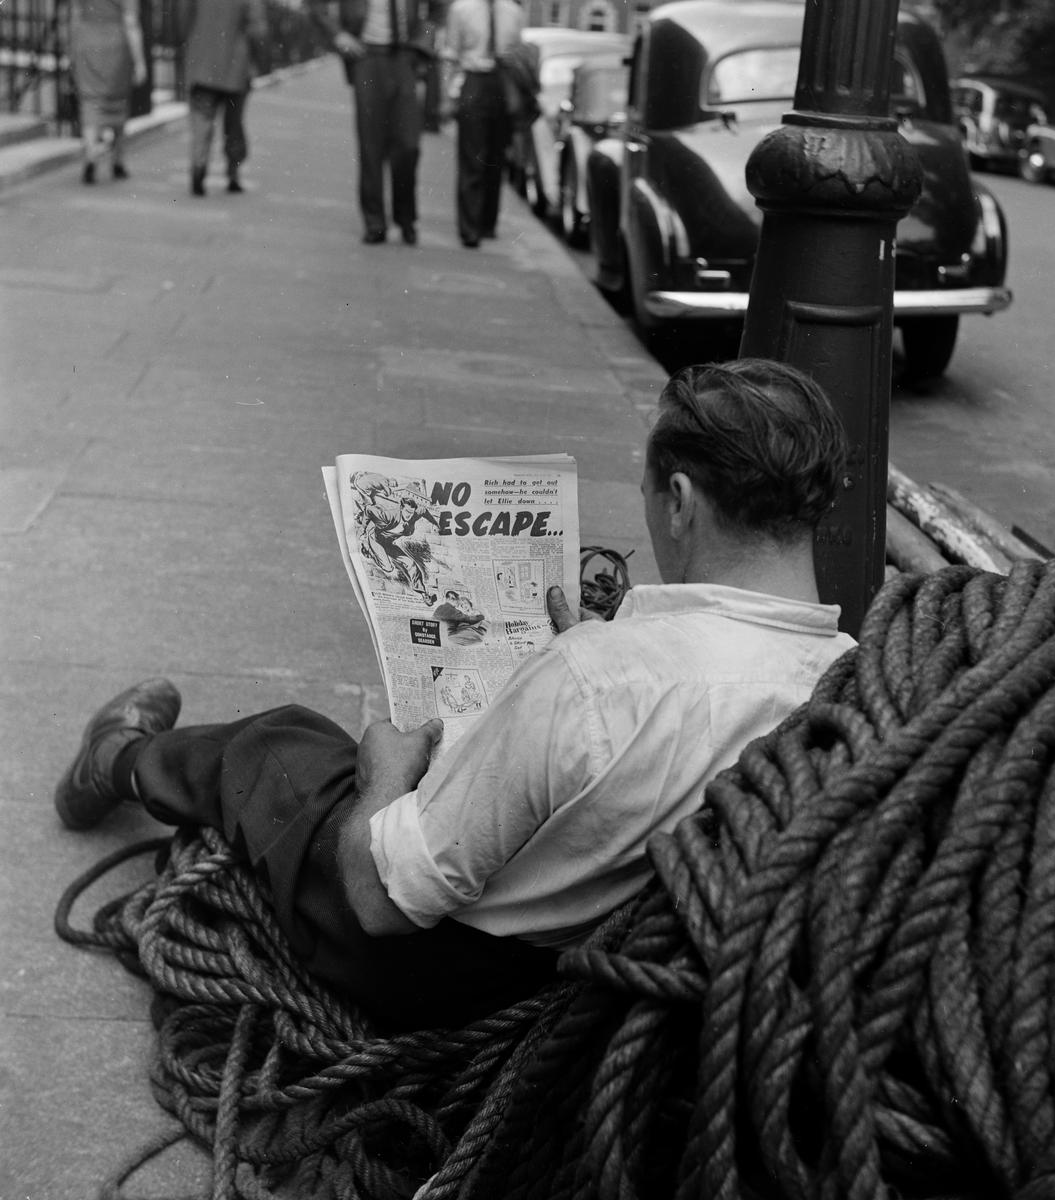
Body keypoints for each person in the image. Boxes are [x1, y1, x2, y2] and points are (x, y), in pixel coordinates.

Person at [53, 358, 857, 1031]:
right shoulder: (855, 678)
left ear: (679, 500)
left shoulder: (594, 683)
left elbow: (378, 901)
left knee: (283, 748)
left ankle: (118, 760)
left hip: (448, 970)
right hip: (600, 963)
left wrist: (384, 776)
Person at [309, 0, 444, 245]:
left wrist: (422, 41)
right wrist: (338, 35)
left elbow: (438, 7)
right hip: (367, 57)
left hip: (405, 57)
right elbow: (315, 5)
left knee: (408, 144)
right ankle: (374, 222)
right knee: (371, 144)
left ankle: (406, 218)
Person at [442, 0, 524, 247]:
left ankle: (488, 223)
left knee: (496, 158)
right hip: (474, 80)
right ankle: (469, 228)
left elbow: (519, 55)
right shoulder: (461, 9)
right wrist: (447, 96)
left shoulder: (514, 12)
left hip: (503, 83)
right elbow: (450, 54)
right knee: (472, 158)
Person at [176, 0, 268, 197]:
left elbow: (182, 19)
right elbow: (257, 29)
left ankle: (199, 168)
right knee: (234, 124)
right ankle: (233, 172)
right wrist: (260, 60)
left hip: (201, 62)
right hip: (236, 66)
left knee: (201, 121)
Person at [69, 0, 147, 184]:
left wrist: (73, 51)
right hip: (116, 45)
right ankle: (117, 161)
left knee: (90, 100)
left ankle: (90, 156)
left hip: (87, 43)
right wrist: (140, 61)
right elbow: (131, 23)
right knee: (118, 102)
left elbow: (74, 17)